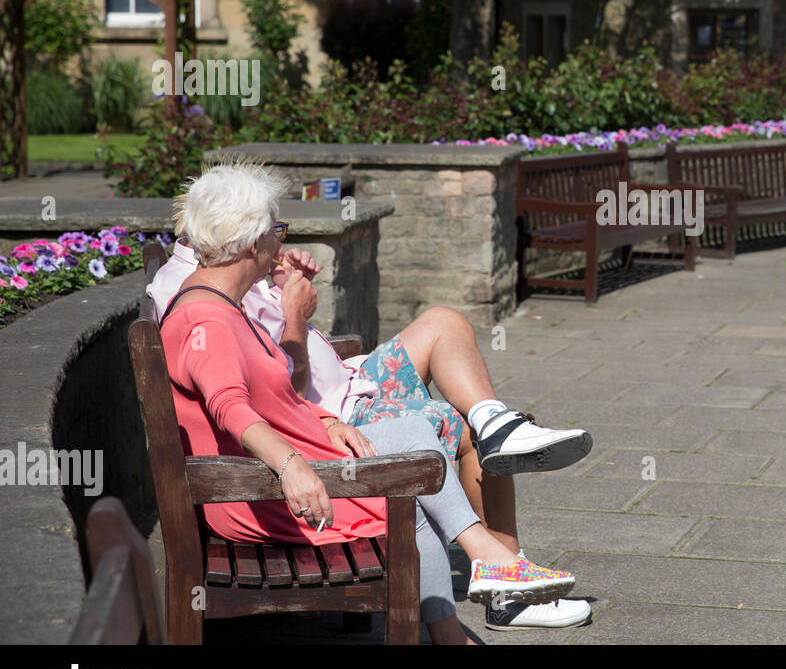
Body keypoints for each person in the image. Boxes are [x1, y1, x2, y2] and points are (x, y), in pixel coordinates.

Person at [159, 162, 579, 644]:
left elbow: (272, 391)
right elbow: (229, 406)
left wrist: (324, 420)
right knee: (410, 483)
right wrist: (292, 464)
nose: (282, 243)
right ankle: (467, 602)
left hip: (300, 456)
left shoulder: (221, 301)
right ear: (253, 244)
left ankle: (481, 562)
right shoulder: (208, 322)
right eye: (277, 230)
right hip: (260, 495)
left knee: (416, 439)